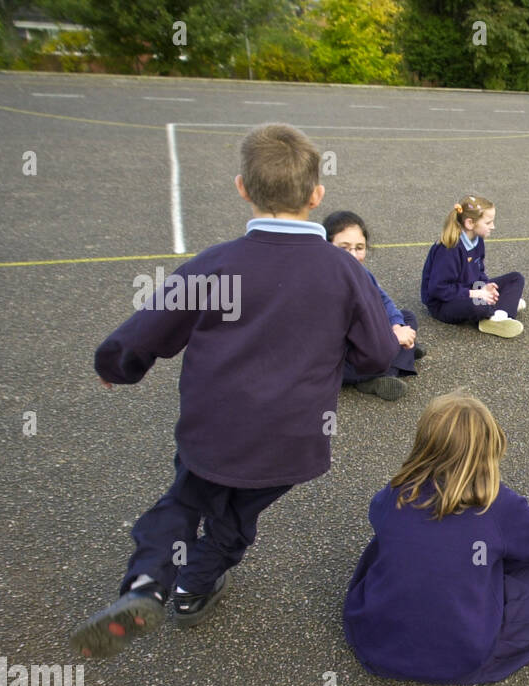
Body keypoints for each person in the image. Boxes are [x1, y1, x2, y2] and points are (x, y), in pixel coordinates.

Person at [74, 123, 398, 658]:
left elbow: (151, 328)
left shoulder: (218, 264)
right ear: (317, 196)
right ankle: (193, 589)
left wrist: (118, 366)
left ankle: (146, 584)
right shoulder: (343, 270)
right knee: (235, 518)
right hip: (292, 439)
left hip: (214, 430)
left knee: (182, 503)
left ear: (242, 188)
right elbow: (378, 353)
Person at [344, 391, 529, 684]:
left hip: (376, 642)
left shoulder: (397, 493)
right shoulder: (497, 505)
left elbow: (376, 518)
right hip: (460, 655)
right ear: (490, 450)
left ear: (423, 445)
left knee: (385, 546)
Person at [325, 209, 424, 401]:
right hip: (342, 356)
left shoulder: (362, 273)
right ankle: (393, 365)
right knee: (383, 349)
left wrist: (397, 326)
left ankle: (400, 354)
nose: (353, 255)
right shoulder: (327, 281)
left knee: (407, 316)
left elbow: (384, 301)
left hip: (368, 340)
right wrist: (391, 339)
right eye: (344, 247)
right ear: (327, 246)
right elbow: (343, 335)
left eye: (359, 247)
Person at [420, 196, 526, 339]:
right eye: (488, 222)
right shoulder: (448, 249)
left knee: (516, 278)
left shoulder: (478, 240)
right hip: (443, 304)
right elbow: (438, 289)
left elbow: (479, 270)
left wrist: (486, 287)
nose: (493, 226)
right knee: (478, 306)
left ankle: (498, 315)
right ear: (470, 223)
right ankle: (499, 311)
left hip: (470, 289)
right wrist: (476, 294)